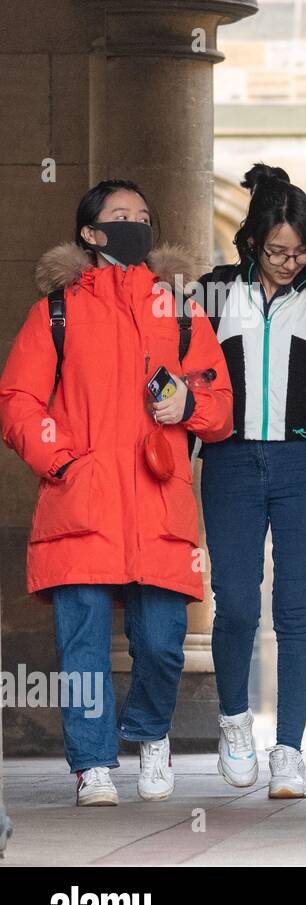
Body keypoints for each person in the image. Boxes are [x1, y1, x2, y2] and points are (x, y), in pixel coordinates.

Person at [0, 179, 233, 806]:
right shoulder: (58, 309)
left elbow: (219, 405)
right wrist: (60, 459)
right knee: (83, 648)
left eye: (144, 216)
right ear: (90, 233)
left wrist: (190, 402)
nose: (135, 224)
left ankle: (150, 734)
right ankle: (93, 765)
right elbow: (18, 399)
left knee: (161, 645)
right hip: (82, 499)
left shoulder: (180, 308)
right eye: (120, 216)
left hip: (159, 500)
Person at [196, 163, 306, 799]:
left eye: (300, 252)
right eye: (277, 250)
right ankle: (235, 722)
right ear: (251, 243)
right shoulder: (213, 292)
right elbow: (190, 382)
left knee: (295, 610)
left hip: (305, 465)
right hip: (231, 463)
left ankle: (290, 751)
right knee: (237, 602)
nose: (288, 263)